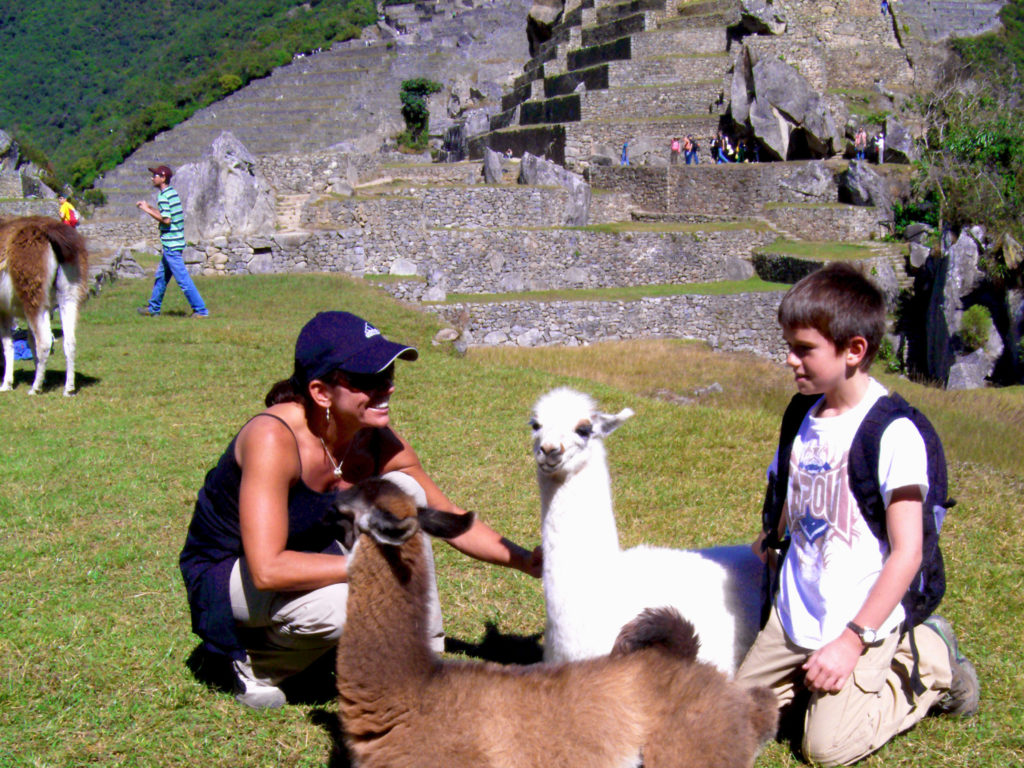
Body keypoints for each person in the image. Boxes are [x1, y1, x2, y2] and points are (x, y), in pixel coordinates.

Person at [179, 311, 542, 709]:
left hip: (309, 545)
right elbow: (267, 569)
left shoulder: (374, 439)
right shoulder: (273, 438)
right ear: (321, 392)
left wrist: (525, 560)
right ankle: (253, 664)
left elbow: (447, 518)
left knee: (403, 492)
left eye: (389, 374)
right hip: (230, 569)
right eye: (368, 379)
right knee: (347, 605)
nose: (386, 387)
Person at [735, 264, 979, 767]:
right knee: (730, 720)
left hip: (859, 619)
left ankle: (931, 661)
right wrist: (768, 543)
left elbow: (909, 552)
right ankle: (813, 677)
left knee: (824, 749)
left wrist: (850, 640)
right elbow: (791, 497)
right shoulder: (800, 415)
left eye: (803, 349)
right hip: (794, 616)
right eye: (789, 345)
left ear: (854, 350)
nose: (789, 360)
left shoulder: (892, 433)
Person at [136, 164, 209, 318]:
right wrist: (150, 207)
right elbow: (166, 215)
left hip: (171, 245)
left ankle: (201, 310)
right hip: (175, 242)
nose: (152, 178)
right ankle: (153, 308)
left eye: (155, 175)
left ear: (163, 178)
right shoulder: (172, 193)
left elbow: (166, 220)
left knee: (183, 280)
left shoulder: (163, 196)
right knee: (161, 277)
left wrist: (146, 210)